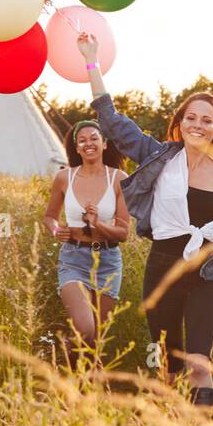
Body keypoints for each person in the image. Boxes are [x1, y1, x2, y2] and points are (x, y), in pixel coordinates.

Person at [75, 32, 213, 409]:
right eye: (190, 118)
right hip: (162, 268)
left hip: (207, 274)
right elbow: (112, 121)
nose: (197, 125)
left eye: (206, 120)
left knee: (199, 364)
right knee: (168, 365)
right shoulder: (159, 156)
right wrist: (91, 60)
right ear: (180, 122)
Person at [42, 117, 130, 369]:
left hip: (108, 262)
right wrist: (57, 229)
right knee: (84, 329)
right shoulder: (63, 177)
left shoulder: (118, 178)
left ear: (104, 144)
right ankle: (66, 363)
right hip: (74, 258)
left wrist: (96, 223)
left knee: (96, 343)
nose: (88, 143)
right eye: (82, 140)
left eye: (94, 138)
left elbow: (123, 232)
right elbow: (49, 217)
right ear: (76, 148)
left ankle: (84, 397)